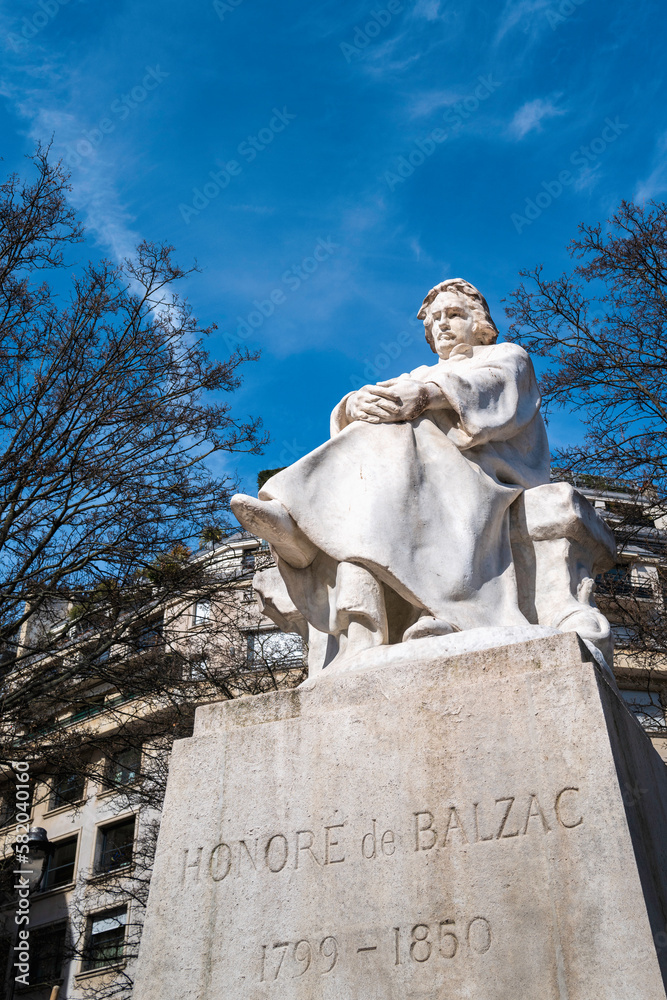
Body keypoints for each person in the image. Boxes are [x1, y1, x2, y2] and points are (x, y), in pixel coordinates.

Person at [232, 279, 551, 667]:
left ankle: (449, 609)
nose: (442, 325)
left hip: (489, 468)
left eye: (453, 315)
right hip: (421, 471)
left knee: (405, 433)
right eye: (434, 320)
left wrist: (424, 397)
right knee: (372, 466)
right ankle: (296, 525)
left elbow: (492, 390)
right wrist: (354, 403)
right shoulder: (418, 372)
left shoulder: (505, 355)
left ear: (480, 323)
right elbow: (384, 400)